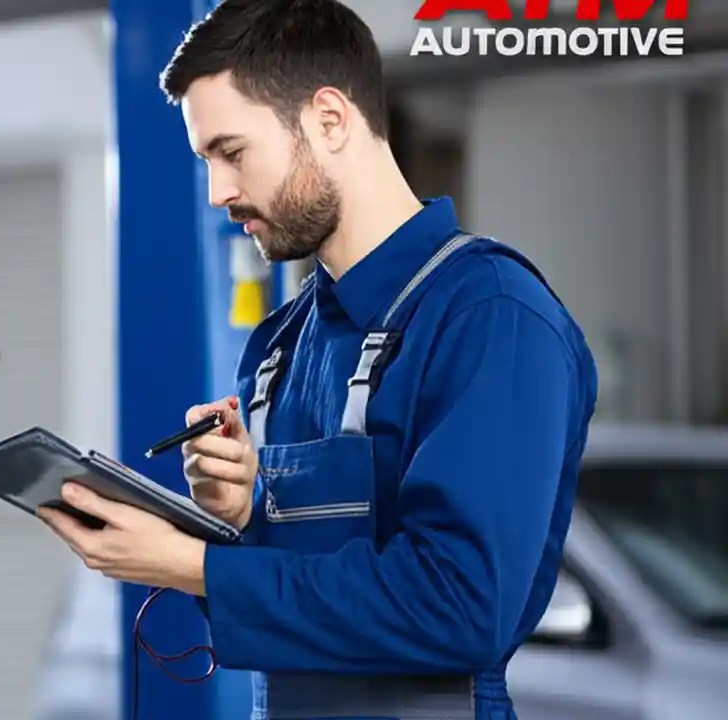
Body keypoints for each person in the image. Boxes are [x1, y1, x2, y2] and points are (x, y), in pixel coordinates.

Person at [36, 0, 599, 718]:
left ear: (329, 119)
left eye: (232, 153)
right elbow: (296, 609)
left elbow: (461, 606)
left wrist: (194, 566)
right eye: (206, 161)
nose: (218, 194)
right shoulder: (279, 347)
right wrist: (235, 519)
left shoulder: (489, 315)